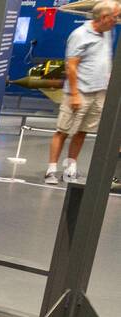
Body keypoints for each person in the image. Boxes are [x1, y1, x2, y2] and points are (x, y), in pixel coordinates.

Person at [46, 1, 119, 184]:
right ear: (103, 17)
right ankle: (51, 170)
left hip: (99, 93)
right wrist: (76, 94)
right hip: (78, 92)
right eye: (115, 17)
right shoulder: (79, 35)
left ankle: (70, 168)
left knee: (83, 131)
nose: (116, 21)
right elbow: (71, 66)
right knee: (63, 131)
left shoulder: (109, 32)